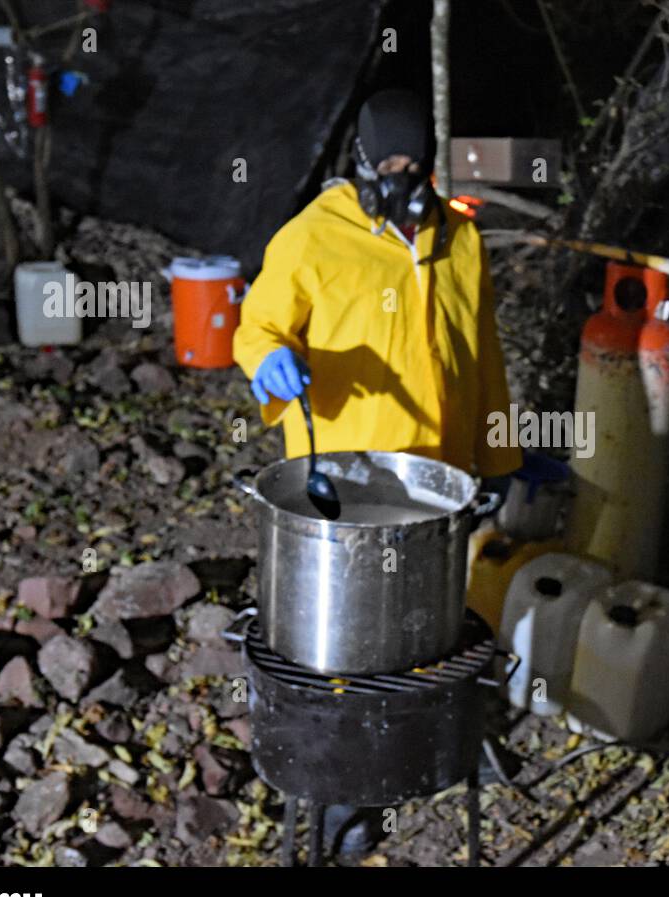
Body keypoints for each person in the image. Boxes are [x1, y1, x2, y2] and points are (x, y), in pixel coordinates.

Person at [232, 89, 523, 856]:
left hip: (435, 478)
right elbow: (257, 323)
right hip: (346, 481)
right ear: (357, 163)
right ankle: (340, 792)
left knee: (427, 634)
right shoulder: (314, 237)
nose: (400, 178)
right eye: (385, 164)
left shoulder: (460, 239)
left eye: (414, 165)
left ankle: (440, 744)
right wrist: (267, 359)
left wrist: (498, 458)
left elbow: (484, 354)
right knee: (351, 654)